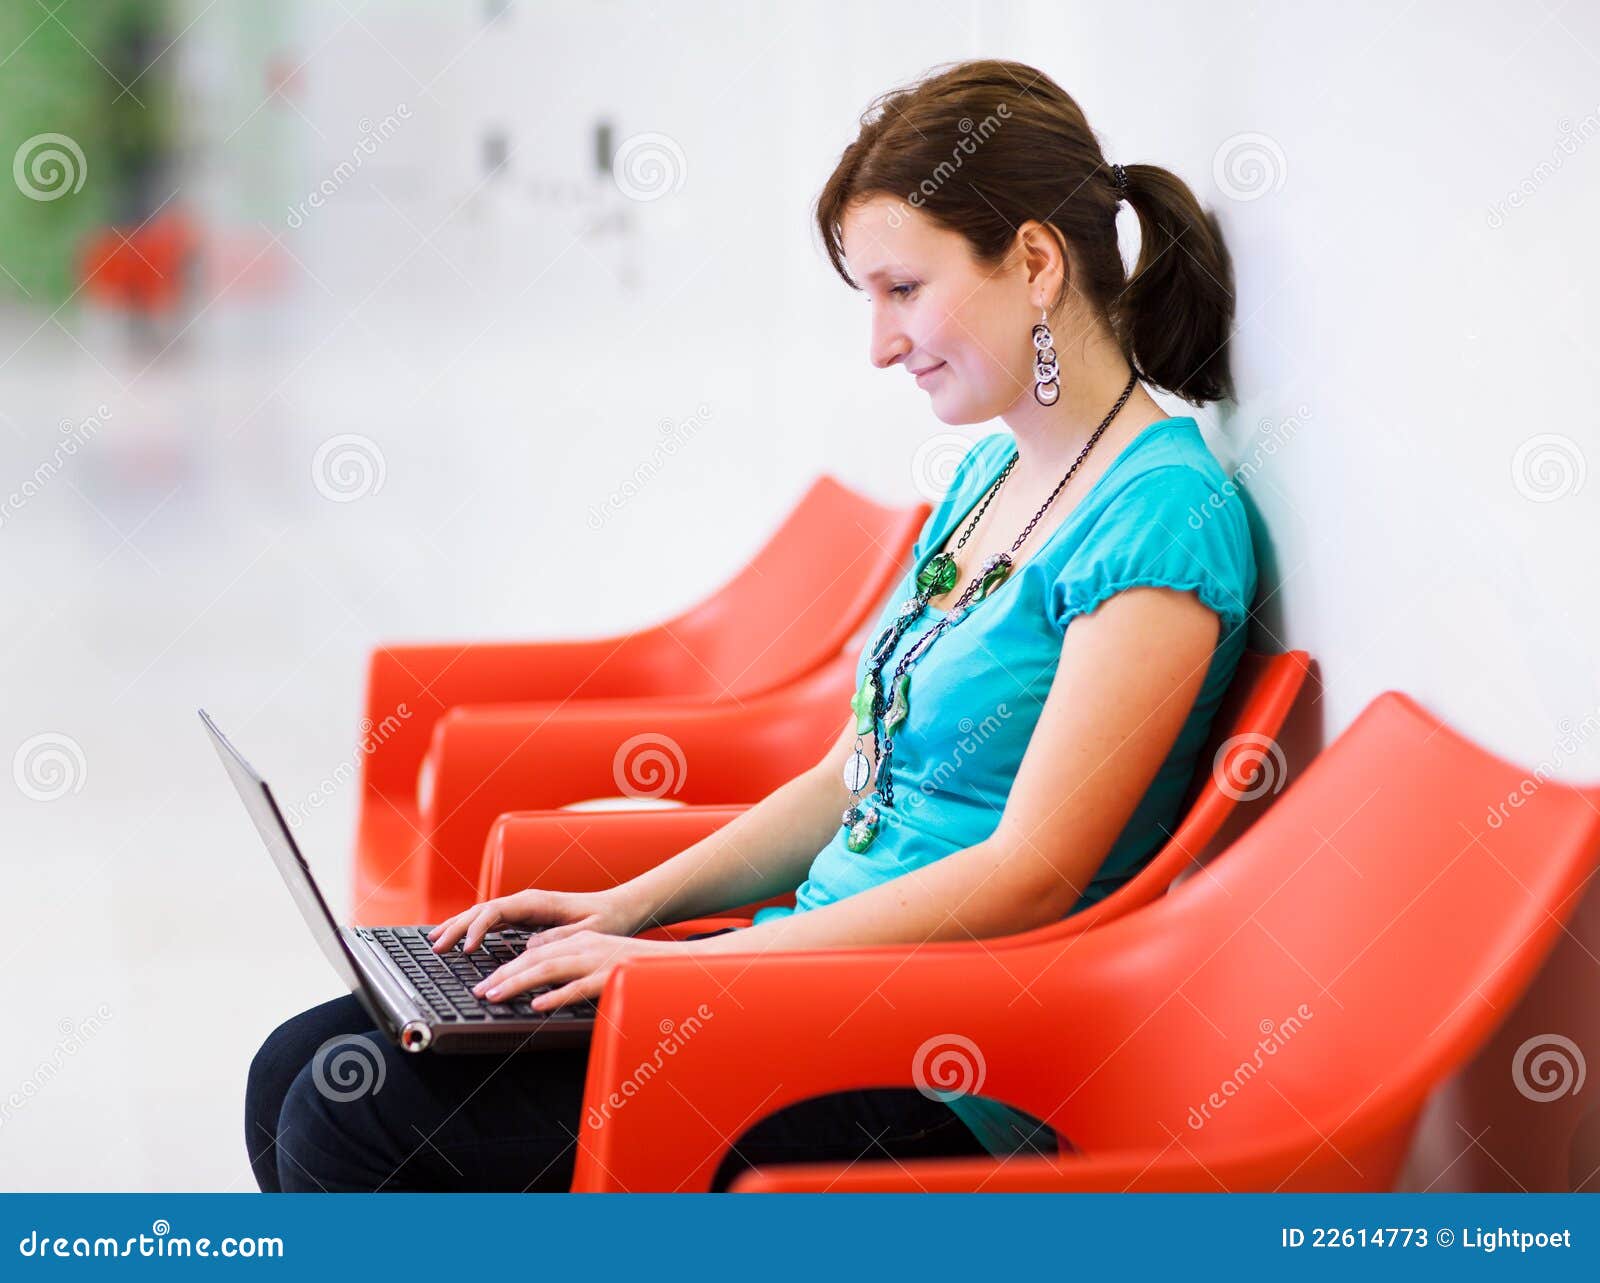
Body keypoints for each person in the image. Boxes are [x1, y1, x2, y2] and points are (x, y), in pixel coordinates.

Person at [246, 56, 1256, 1193]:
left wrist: (693, 970)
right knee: (298, 1062)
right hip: (806, 980)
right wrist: (625, 909)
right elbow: (847, 773)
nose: (878, 343)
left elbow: (1028, 873)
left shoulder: (1161, 518)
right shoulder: (990, 474)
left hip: (941, 1063)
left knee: (354, 1120)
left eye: (902, 289)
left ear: (1032, 262)